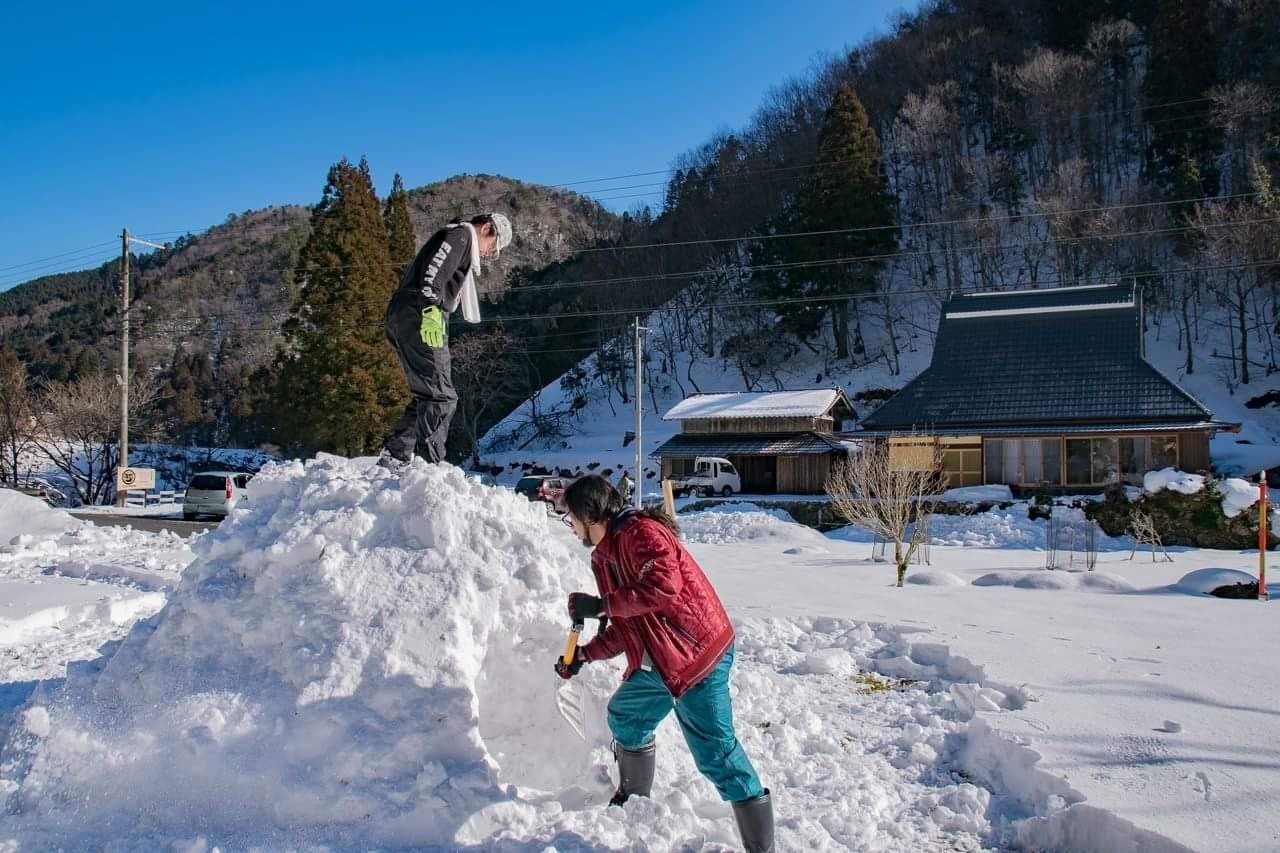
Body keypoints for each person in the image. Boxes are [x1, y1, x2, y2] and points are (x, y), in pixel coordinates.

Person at [554, 475, 774, 853]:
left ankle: (761, 848)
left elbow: (662, 587)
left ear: (590, 515)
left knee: (717, 755)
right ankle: (634, 803)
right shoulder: (604, 557)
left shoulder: (641, 533)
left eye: (571, 517)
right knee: (626, 715)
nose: (570, 526)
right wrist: (584, 655)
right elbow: (628, 625)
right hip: (662, 661)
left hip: (695, 657)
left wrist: (602, 606)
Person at [381, 213, 513, 465]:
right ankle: (430, 466)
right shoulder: (461, 236)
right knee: (442, 397)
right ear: (487, 228)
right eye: (493, 247)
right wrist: (431, 308)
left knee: (428, 393)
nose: (489, 253)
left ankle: (396, 456)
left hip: (407, 313)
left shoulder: (458, 237)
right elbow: (433, 271)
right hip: (421, 314)